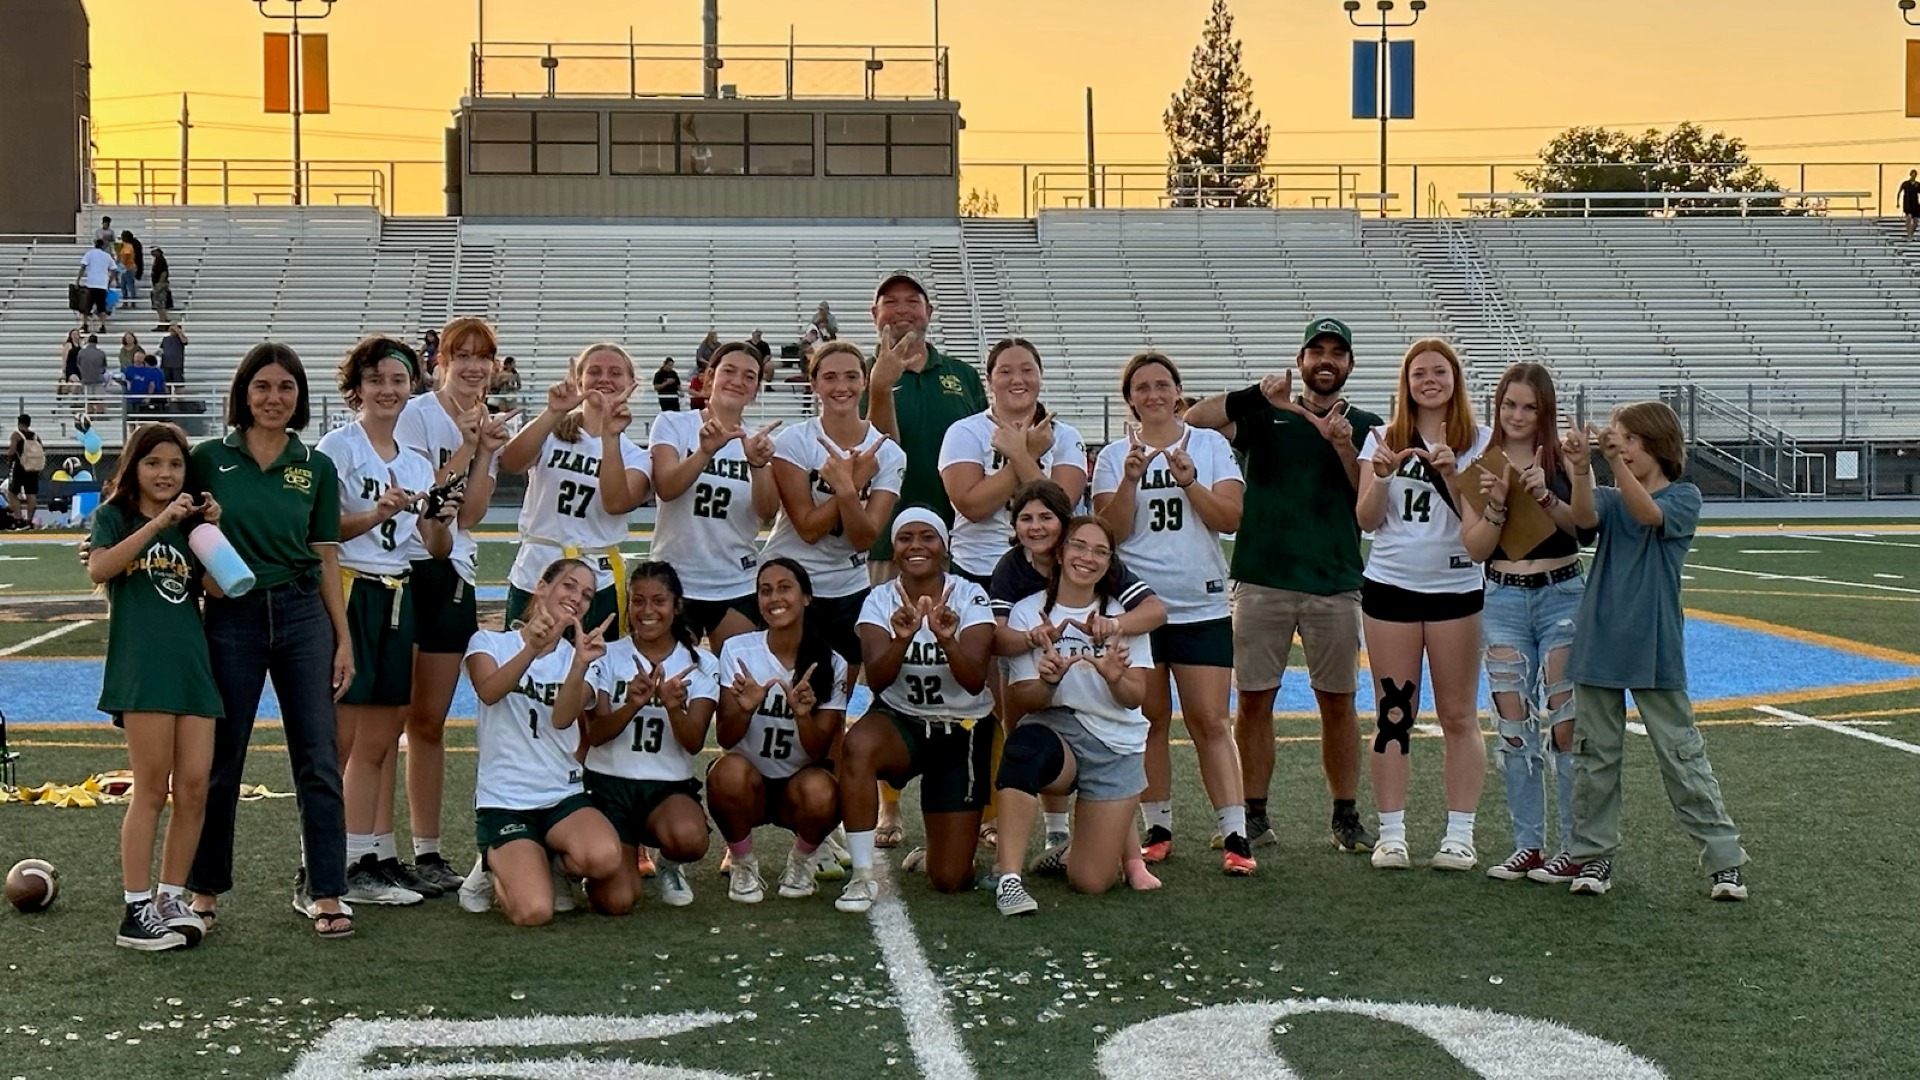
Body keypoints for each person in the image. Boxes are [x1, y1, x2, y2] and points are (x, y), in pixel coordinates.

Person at [1184, 316, 1383, 854]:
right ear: (1300, 361)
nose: (1325, 360)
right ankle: (1254, 814)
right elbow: (1194, 420)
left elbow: (1369, 507)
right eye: (1315, 350)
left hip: (1335, 581)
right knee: (1253, 700)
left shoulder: (1367, 425)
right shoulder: (1265, 414)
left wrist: (1343, 447)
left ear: (1349, 365)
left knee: (1339, 702)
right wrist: (1256, 393)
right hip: (1262, 578)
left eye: (1336, 353)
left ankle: (1345, 815)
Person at [185, 343, 354, 938]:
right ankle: (203, 888)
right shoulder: (207, 457)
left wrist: (342, 637)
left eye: (286, 388)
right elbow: (172, 526)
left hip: (304, 614)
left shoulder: (317, 465)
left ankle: (327, 890)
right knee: (219, 759)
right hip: (232, 617)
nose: (273, 398)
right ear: (243, 393)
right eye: (262, 387)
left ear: (300, 397)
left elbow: (326, 553)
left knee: (318, 759)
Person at [1559, 403, 1749, 901]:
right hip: (1599, 643)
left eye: (1629, 440)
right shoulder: (1610, 494)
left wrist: (1613, 463)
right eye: (1617, 439)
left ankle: (1724, 860)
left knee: (1682, 757)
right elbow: (1582, 519)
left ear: (1655, 445)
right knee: (1595, 758)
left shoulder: (1684, 497)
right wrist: (1582, 469)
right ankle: (1592, 857)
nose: (1620, 447)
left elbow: (1649, 513)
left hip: (1655, 646)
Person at [1092, 353, 1251, 875]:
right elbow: (1109, 533)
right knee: (1148, 719)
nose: (1153, 394)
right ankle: (1157, 826)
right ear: (1130, 399)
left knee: (1210, 719)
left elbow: (1229, 519)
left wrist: (1189, 482)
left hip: (1199, 602)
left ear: (1178, 392)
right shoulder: (1117, 455)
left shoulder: (1208, 445)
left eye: (1162, 384)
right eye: (1142, 387)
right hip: (1137, 605)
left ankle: (1235, 832)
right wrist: (1131, 481)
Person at [318, 337, 455, 908]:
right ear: (356, 387)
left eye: (398, 380)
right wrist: (374, 513)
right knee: (343, 742)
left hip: (397, 590)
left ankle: (365, 856)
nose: (388, 390)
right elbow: (320, 533)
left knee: (380, 738)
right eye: (376, 380)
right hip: (353, 590)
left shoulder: (417, 460)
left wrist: (440, 520)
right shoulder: (338, 447)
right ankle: (325, 863)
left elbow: (435, 548)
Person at [1356, 339, 1492, 872]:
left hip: (1457, 589)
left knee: (1459, 714)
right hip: (1390, 585)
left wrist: (1453, 472)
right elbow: (1367, 519)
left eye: (1439, 371)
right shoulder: (1383, 440)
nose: (1429, 381)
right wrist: (1384, 473)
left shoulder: (1480, 440)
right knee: (1394, 712)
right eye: (1419, 373)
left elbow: (1484, 525)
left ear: (1455, 379)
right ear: (1405, 383)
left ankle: (1460, 834)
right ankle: (1392, 833)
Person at [86, 423, 222, 951]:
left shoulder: (190, 527)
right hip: (143, 668)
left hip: (192, 665)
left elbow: (218, 586)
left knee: (192, 789)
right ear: (134, 468)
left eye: (175, 465)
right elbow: (101, 567)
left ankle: (170, 897)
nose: (165, 474)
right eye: (153, 464)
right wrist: (160, 521)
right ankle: (136, 909)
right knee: (151, 790)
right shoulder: (111, 517)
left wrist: (213, 531)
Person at [988, 480, 1167, 868]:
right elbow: (998, 638)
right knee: (1021, 738)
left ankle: (1109, 850)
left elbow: (1155, 612)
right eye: (1025, 518)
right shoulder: (1013, 566)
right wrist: (1031, 636)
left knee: (1091, 879)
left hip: (1104, 712)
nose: (1036, 527)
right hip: (1030, 653)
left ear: (1064, 528)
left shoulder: (1092, 553)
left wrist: (1113, 626)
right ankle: (1036, 843)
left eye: (1046, 518)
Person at [1459, 363, 1591, 884]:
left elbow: (1583, 528)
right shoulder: (1482, 464)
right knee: (1514, 727)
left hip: (1562, 594)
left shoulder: (1567, 459)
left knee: (1564, 724)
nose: (1517, 415)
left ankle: (1574, 847)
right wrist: (1495, 506)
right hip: (1504, 600)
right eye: (1509, 405)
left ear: (1546, 410)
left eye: (1529, 407)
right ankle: (1527, 845)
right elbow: (1474, 549)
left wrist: (1543, 492)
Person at [396, 317, 510, 894]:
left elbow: (469, 516)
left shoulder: (487, 420)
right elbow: (422, 497)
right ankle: (367, 850)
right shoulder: (417, 412)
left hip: (454, 570)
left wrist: (483, 448)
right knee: (388, 715)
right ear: (441, 360)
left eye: (482, 356)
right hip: (402, 567)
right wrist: (467, 444)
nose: (472, 365)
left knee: (430, 723)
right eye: (460, 354)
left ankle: (428, 849)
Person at [836, 510, 997, 911]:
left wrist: (947, 640)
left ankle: (946, 846)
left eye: (928, 537)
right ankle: (861, 873)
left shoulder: (970, 595)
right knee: (857, 744)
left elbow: (975, 679)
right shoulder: (880, 598)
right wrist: (901, 639)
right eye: (906, 538)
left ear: (944, 548)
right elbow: (877, 679)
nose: (916, 546)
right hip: (902, 719)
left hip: (962, 728)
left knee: (949, 879)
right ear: (894, 549)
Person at [460, 559, 625, 925]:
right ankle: (491, 865)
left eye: (586, 595)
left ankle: (550, 860)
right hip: (505, 799)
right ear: (542, 586)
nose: (576, 598)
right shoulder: (489, 642)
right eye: (569, 585)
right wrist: (531, 649)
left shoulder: (586, 655)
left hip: (560, 794)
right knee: (534, 912)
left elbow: (563, 717)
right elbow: (489, 692)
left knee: (604, 858)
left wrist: (580, 663)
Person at [707, 558, 851, 903]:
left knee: (823, 790)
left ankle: (801, 861)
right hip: (750, 786)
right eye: (765, 590)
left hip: (796, 789)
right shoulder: (738, 650)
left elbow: (818, 752)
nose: (775, 597)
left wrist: (803, 716)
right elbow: (726, 737)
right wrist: (746, 708)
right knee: (726, 772)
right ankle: (743, 863)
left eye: (785, 587)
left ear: (806, 597)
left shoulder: (831, 662)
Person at [761, 341, 906, 682]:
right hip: (790, 578)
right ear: (814, 384)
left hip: (847, 585)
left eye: (851, 376)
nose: (841, 387)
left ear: (865, 382)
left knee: (835, 697)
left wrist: (845, 487)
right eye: (829, 377)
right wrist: (852, 485)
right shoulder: (795, 440)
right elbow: (808, 529)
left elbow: (864, 538)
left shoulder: (888, 453)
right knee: (779, 692)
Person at [581, 562, 718, 910]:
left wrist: (674, 707)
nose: (647, 611)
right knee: (616, 901)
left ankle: (670, 866)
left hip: (667, 787)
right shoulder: (606, 655)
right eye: (638, 601)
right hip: (609, 784)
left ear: (677, 606)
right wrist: (630, 705)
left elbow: (693, 742)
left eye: (659, 601)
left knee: (690, 838)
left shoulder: (701, 664)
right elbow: (595, 735)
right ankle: (591, 862)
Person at [499, 343, 652, 637]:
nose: (604, 379)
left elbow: (616, 502)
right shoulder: (551, 433)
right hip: (538, 570)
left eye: (615, 373)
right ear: (579, 379)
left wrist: (610, 438)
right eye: (594, 371)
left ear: (631, 384)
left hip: (597, 576)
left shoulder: (635, 454)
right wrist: (553, 412)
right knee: (526, 670)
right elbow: (510, 462)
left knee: (594, 673)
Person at [648, 342, 781, 650]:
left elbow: (766, 513)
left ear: (756, 390)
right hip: (675, 577)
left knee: (737, 686)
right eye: (729, 371)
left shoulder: (759, 442)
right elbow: (667, 489)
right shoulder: (674, 424)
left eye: (749, 376)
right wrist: (704, 453)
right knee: (673, 685)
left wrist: (758, 465)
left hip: (735, 579)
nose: (738, 381)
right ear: (709, 378)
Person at [864, 271, 986, 582]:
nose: (902, 309)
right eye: (890, 302)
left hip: (958, 540)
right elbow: (870, 451)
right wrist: (879, 385)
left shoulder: (963, 375)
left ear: (928, 311)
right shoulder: (854, 374)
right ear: (874, 313)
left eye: (912, 301)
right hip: (882, 541)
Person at [940, 338, 1088, 587]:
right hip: (978, 565)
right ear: (990, 381)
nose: (1017, 380)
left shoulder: (1065, 435)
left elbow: (1061, 508)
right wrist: (1029, 453)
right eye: (1005, 372)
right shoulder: (965, 431)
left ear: (1040, 376)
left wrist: (1020, 454)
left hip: (1046, 566)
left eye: (1027, 370)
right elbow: (972, 507)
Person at [7, 415, 44, 528]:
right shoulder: (35, 436)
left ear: (19, 422)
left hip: (19, 466)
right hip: (33, 467)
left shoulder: (17, 435)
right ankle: (29, 520)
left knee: (12, 493)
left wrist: (9, 460)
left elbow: (12, 451)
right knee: (31, 494)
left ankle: (18, 519)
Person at [79, 238, 116, 332]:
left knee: (86, 306)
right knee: (101, 307)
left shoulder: (89, 253)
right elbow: (113, 269)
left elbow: (83, 267)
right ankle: (102, 325)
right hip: (102, 285)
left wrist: (78, 280)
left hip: (91, 283)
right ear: (103, 246)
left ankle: (85, 324)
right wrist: (109, 280)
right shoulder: (107, 256)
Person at [158, 324, 188, 390]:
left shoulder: (180, 339)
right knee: (166, 385)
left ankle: (178, 400)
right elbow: (161, 350)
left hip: (177, 365)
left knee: (178, 386)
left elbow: (185, 341)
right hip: (165, 365)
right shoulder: (165, 339)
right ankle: (168, 399)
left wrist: (178, 331)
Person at [150, 247, 173, 329]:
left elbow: (164, 273)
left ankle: (163, 322)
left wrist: (159, 284)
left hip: (160, 285)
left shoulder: (161, 261)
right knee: (158, 306)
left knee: (160, 305)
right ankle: (164, 321)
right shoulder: (157, 260)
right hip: (158, 284)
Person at [118, 230, 143, 300]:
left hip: (128, 267)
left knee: (129, 285)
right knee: (124, 285)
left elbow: (126, 257)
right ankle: (128, 300)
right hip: (127, 267)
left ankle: (132, 301)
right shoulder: (128, 245)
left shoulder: (129, 246)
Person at [1901, 169, 1920, 239]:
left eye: (1915, 175)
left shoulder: (1917, 184)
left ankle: (1911, 234)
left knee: (1916, 221)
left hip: (1916, 204)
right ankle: (1909, 234)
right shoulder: (1905, 183)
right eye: (1912, 174)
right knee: (1908, 218)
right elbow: (1900, 192)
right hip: (1907, 203)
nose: (1914, 176)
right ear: (1910, 174)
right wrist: (1898, 203)